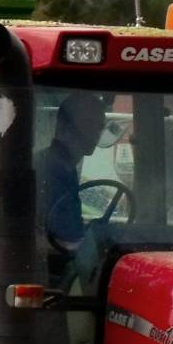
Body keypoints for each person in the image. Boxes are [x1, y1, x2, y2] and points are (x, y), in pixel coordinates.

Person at [38, 92, 108, 253]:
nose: (96, 133)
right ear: (63, 125)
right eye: (89, 124)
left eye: (100, 127)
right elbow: (62, 240)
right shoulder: (48, 169)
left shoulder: (66, 166)